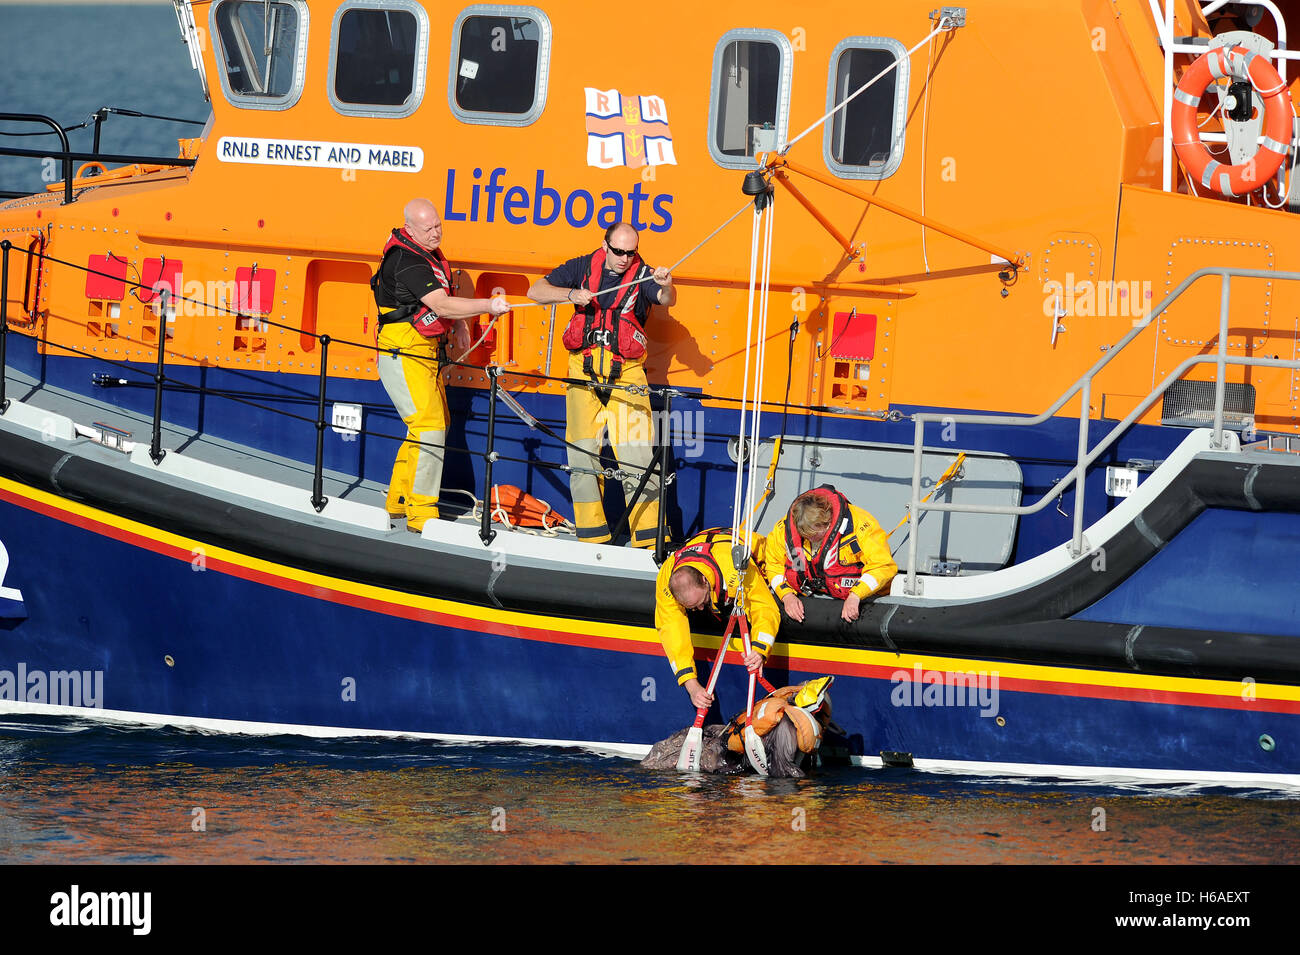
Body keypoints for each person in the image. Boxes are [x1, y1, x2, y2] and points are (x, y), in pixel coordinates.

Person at [527, 223, 676, 547]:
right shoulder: (580, 267)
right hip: (582, 372)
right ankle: (591, 536)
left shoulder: (646, 274)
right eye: (619, 251)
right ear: (606, 246)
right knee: (582, 456)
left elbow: (666, 299)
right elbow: (535, 291)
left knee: (637, 455)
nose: (625, 258)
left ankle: (649, 540)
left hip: (627, 376)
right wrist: (569, 294)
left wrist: (667, 285)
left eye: (630, 252)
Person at [373, 198, 509, 532]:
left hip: (423, 349)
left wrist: (461, 327)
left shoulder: (427, 253)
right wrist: (488, 306)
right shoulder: (406, 260)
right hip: (401, 350)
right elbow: (440, 303)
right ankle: (421, 513)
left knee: (429, 424)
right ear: (409, 228)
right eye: (428, 228)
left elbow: (444, 297)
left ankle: (399, 501)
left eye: (438, 226)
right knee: (429, 426)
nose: (436, 234)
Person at [654, 528, 779, 709]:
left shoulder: (736, 567)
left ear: (705, 580)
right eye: (692, 608)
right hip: (705, 542)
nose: (700, 609)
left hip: (756, 550)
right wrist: (692, 685)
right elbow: (671, 631)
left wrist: (760, 649)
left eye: (702, 601)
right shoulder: (667, 577)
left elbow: (764, 607)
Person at [764, 485, 897, 623]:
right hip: (809, 596)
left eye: (814, 535)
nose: (810, 539)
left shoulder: (860, 526)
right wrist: (786, 596)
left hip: (862, 596)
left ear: (826, 522)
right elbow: (773, 564)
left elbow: (883, 565)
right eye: (804, 535)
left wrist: (856, 595)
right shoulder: (784, 530)